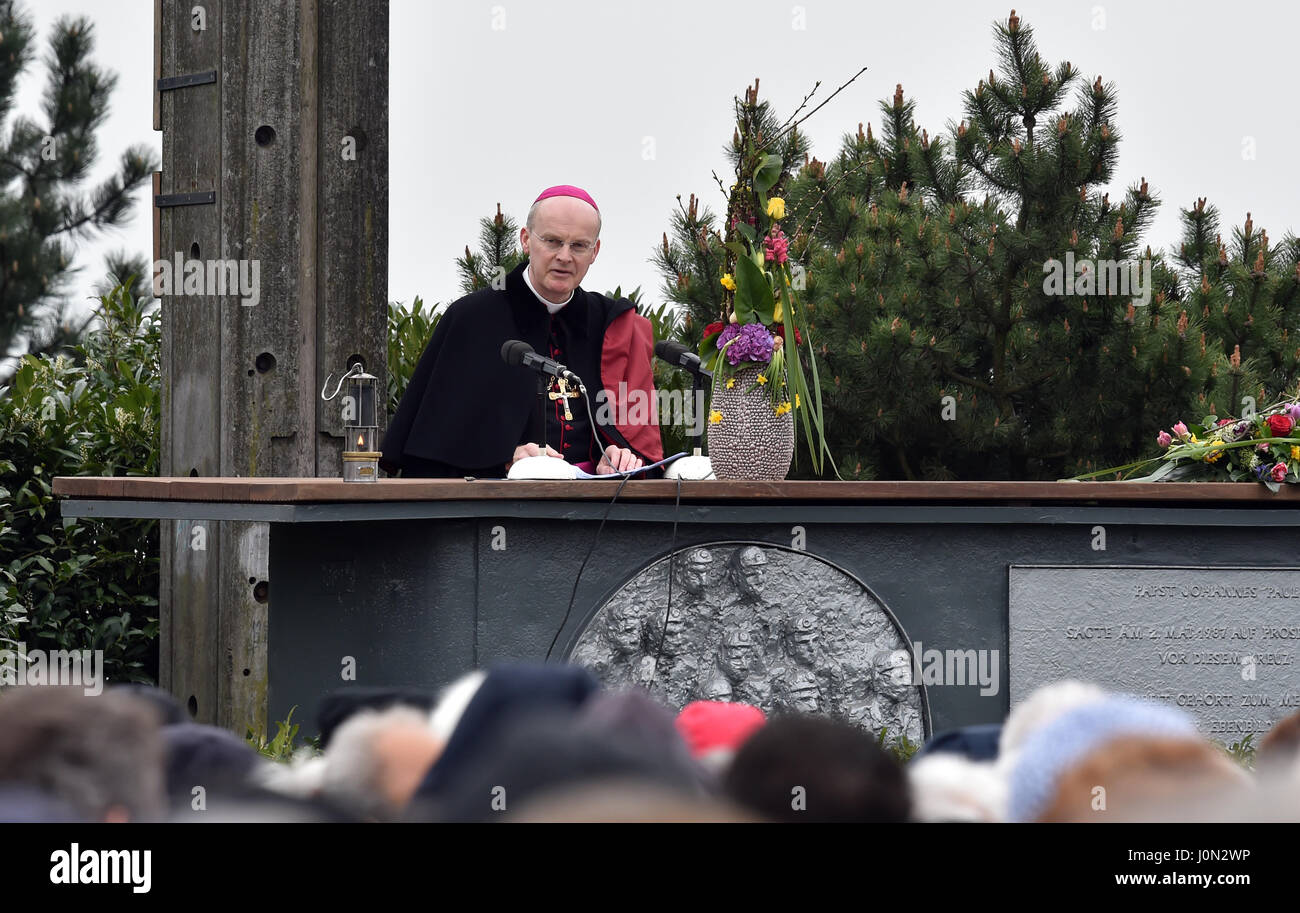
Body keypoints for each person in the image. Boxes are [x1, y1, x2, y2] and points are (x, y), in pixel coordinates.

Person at [381, 185, 664, 477]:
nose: (565, 256)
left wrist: (616, 454)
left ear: (595, 251)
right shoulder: (473, 318)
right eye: (553, 241)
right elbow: (439, 443)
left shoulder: (613, 325)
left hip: (596, 504)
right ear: (526, 240)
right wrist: (506, 456)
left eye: (579, 245)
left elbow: (638, 441)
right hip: (500, 504)